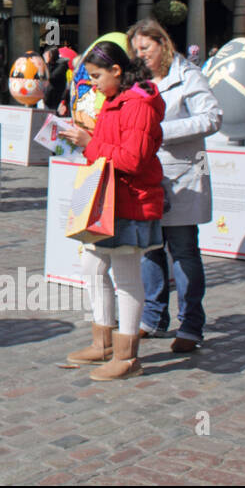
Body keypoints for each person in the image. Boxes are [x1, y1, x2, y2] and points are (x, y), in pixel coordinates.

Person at [59, 41, 165, 381]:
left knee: (126, 274)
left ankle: (126, 354)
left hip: (129, 200)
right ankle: (103, 341)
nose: (93, 83)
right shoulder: (115, 101)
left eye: (96, 76)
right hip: (109, 199)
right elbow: (110, 148)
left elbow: (133, 159)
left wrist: (89, 143)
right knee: (92, 265)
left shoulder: (138, 105)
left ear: (117, 71)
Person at [128, 18, 221, 352]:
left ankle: (191, 324)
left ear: (162, 44)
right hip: (147, 175)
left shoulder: (187, 75)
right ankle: (152, 317)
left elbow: (212, 117)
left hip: (182, 176)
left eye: (146, 48)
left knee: (183, 251)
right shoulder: (137, 80)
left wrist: (163, 131)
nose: (141, 55)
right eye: (136, 50)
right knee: (150, 250)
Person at [42, 46, 66, 113]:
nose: (44, 57)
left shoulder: (61, 65)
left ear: (51, 54)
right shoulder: (47, 65)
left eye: (46, 55)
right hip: (46, 97)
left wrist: (46, 65)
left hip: (56, 98)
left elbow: (51, 77)